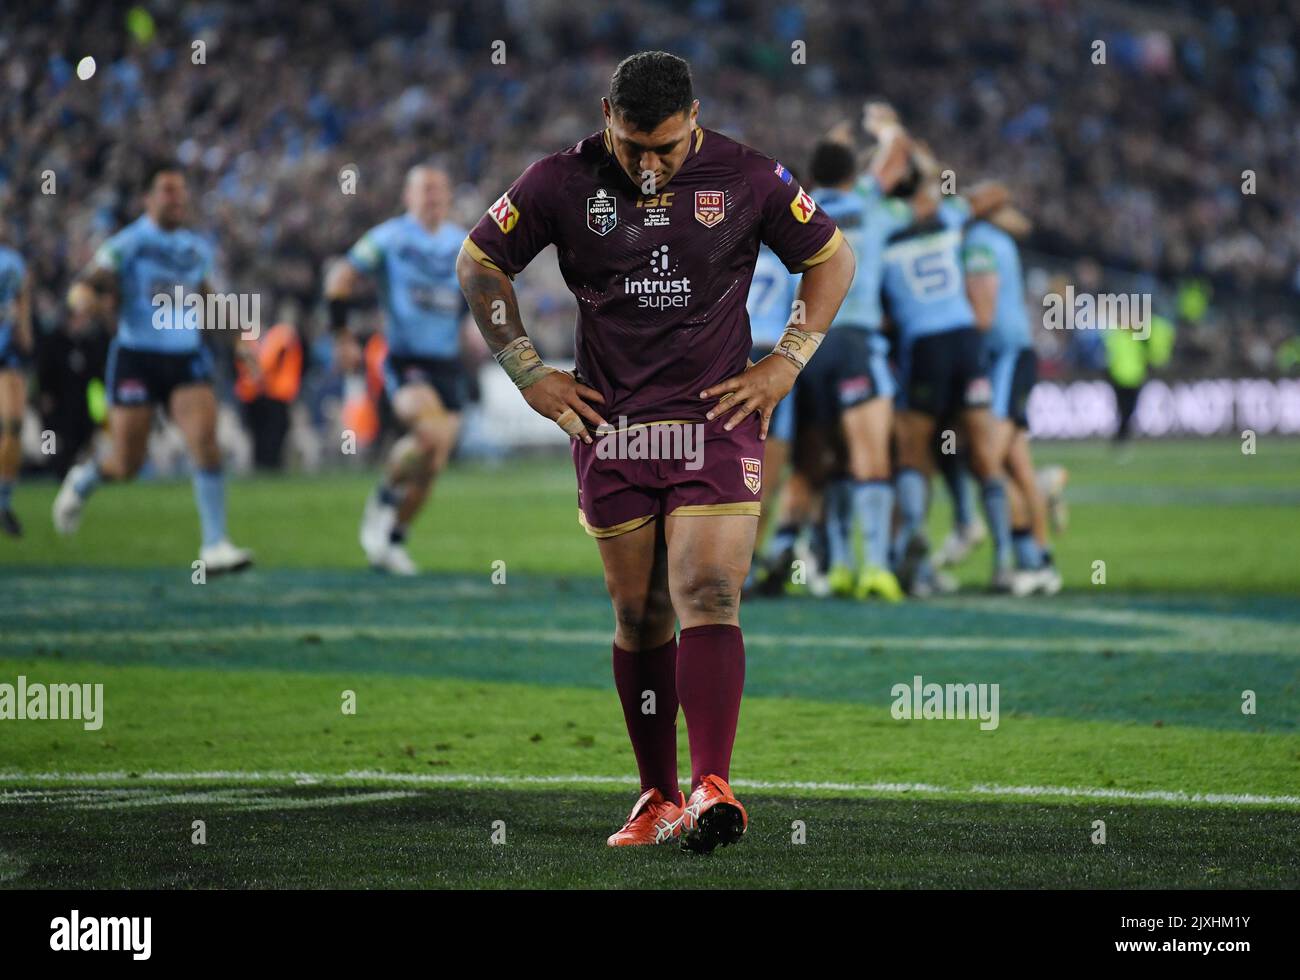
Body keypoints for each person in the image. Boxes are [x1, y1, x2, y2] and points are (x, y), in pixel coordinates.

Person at [457, 52, 853, 853]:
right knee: (639, 613)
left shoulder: (746, 175)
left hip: (715, 414)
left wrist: (784, 362)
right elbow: (479, 263)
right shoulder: (558, 181)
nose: (648, 164)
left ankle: (713, 785)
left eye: (666, 149)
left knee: (706, 588)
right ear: (607, 113)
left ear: (695, 119)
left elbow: (831, 257)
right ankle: (658, 795)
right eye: (634, 145)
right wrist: (529, 374)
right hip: (612, 423)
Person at [55, 162, 253, 573]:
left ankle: (214, 545)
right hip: (137, 357)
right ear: (148, 198)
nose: (176, 198)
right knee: (127, 463)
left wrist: (238, 340)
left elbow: (207, 297)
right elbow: (92, 280)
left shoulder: (195, 248)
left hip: (184, 357)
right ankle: (84, 479)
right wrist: (83, 300)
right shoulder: (128, 243)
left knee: (206, 441)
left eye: (180, 190)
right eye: (167, 190)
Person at [326, 166, 468, 575]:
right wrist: (342, 335)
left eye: (440, 189)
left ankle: (393, 539)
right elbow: (341, 277)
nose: (433, 196)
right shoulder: (388, 238)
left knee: (434, 461)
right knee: (428, 435)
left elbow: (485, 285)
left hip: (449, 364)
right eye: (425, 189)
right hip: (407, 361)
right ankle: (385, 495)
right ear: (408, 196)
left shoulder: (462, 240)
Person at [964, 206, 1062, 594]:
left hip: (1004, 358)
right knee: (1017, 465)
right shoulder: (995, 237)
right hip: (1015, 355)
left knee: (988, 459)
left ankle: (1026, 559)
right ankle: (1041, 562)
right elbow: (1020, 219)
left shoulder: (977, 244)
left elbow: (983, 317)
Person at [0, 239, 33, 536]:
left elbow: (22, 298)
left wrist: (25, 329)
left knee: (13, 424)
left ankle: (4, 501)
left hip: (6, 352)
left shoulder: (12, 261)